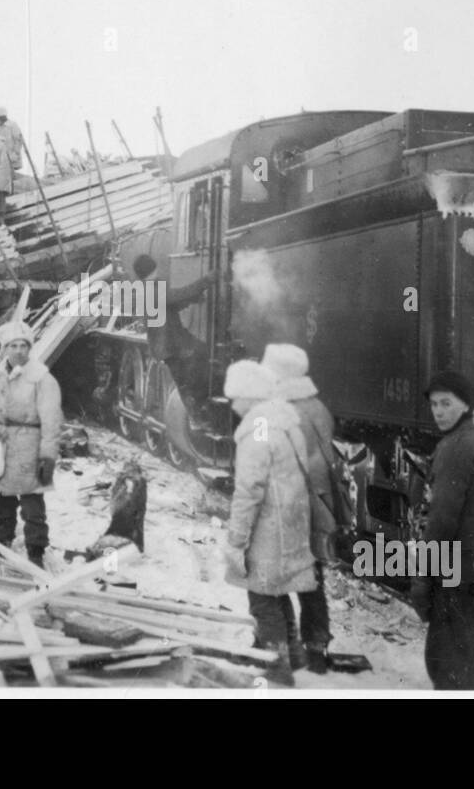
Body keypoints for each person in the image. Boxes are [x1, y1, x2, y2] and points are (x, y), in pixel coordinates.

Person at [220, 359, 317, 687]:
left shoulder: (258, 428)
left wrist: (236, 538)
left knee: (261, 597)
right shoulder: (284, 421)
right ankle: (291, 650)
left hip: (269, 527)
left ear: (250, 396)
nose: (233, 405)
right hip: (291, 521)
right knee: (277, 591)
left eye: (236, 398)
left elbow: (248, 490)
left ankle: (276, 666)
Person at [410, 371, 474, 690]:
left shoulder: (454, 448)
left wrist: (423, 580)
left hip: (455, 575)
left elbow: (441, 521)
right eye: (434, 404)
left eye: (446, 403)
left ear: (464, 405)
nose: (438, 411)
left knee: (449, 666)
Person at [260, 343, 335, 674]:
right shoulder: (318, 408)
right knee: (312, 580)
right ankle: (317, 650)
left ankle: (281, 649)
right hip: (316, 507)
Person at [0, 321, 63, 568]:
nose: (19, 350)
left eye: (24, 345)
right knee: (1, 501)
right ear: (5, 348)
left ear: (30, 348)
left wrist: (48, 457)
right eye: (13, 345)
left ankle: (35, 552)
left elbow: (51, 422)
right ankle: (1, 545)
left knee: (32, 504)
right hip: (0, 444)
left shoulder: (42, 379)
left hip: (29, 444)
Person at [131, 254, 219, 413]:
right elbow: (178, 295)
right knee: (201, 363)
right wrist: (207, 280)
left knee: (192, 372)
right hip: (171, 345)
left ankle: (197, 410)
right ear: (152, 269)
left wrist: (192, 300)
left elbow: (170, 305)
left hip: (170, 343)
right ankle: (197, 415)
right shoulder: (151, 290)